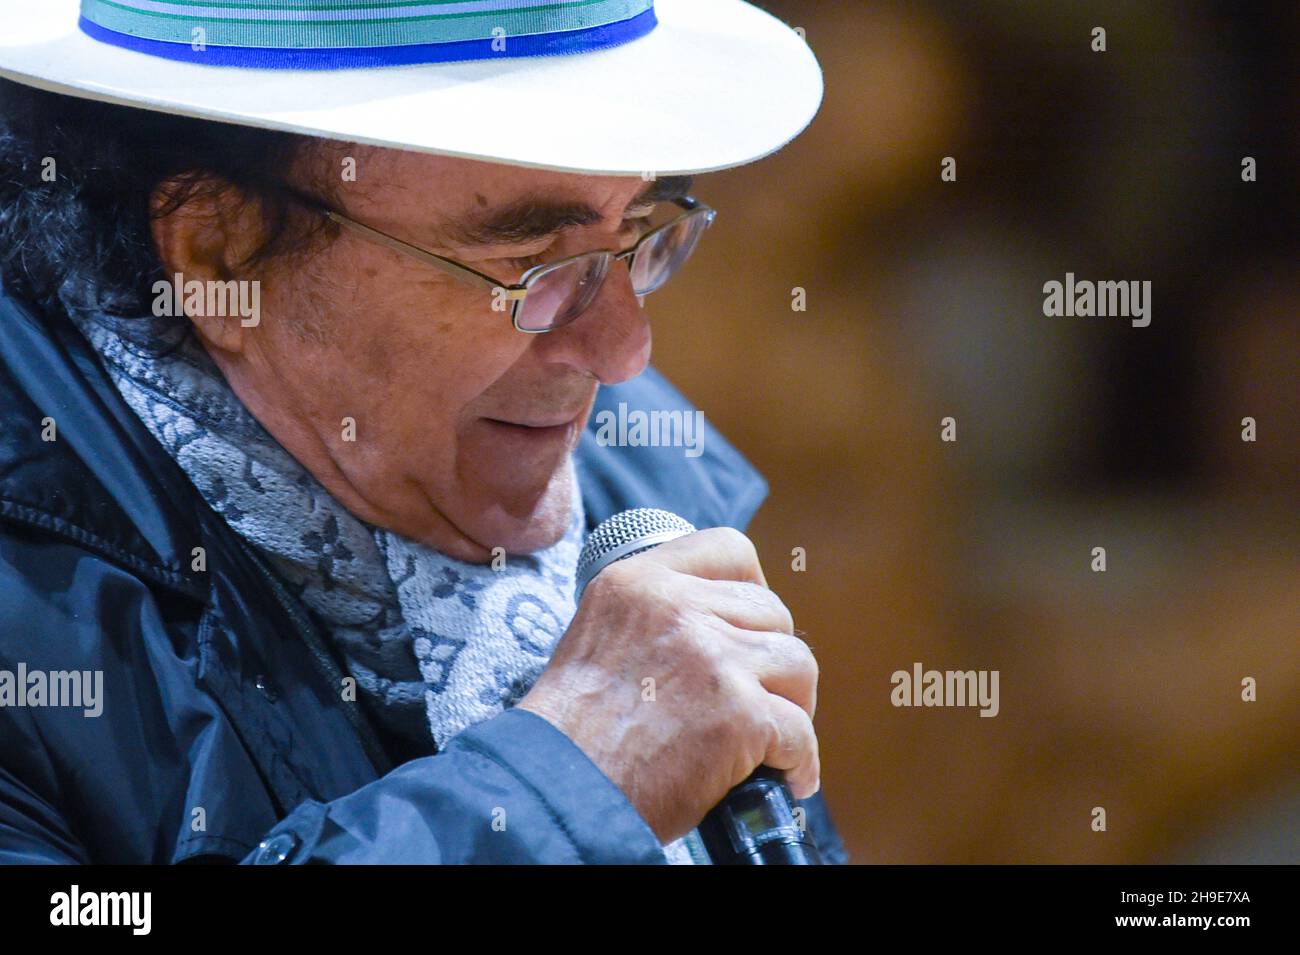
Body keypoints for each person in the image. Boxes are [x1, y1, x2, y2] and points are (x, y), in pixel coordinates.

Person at [0, 0, 847, 863]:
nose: (624, 353)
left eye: (636, 235)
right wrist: (561, 787)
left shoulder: (644, 482)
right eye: (532, 268)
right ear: (221, 254)